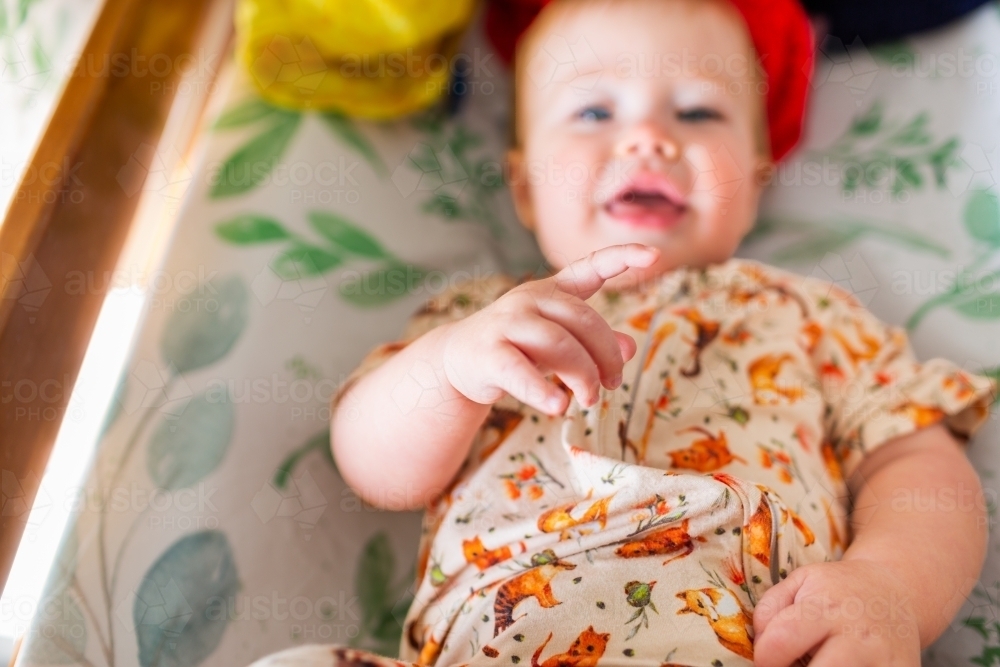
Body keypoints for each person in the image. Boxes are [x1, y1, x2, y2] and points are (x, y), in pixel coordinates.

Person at [252, 0, 996, 665]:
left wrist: (890, 586)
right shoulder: (482, 318)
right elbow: (375, 466)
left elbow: (922, 472)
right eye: (593, 113)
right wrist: (450, 370)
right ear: (523, 186)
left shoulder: (809, 312)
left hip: (746, 637)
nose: (646, 138)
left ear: (759, 173)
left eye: (699, 112)